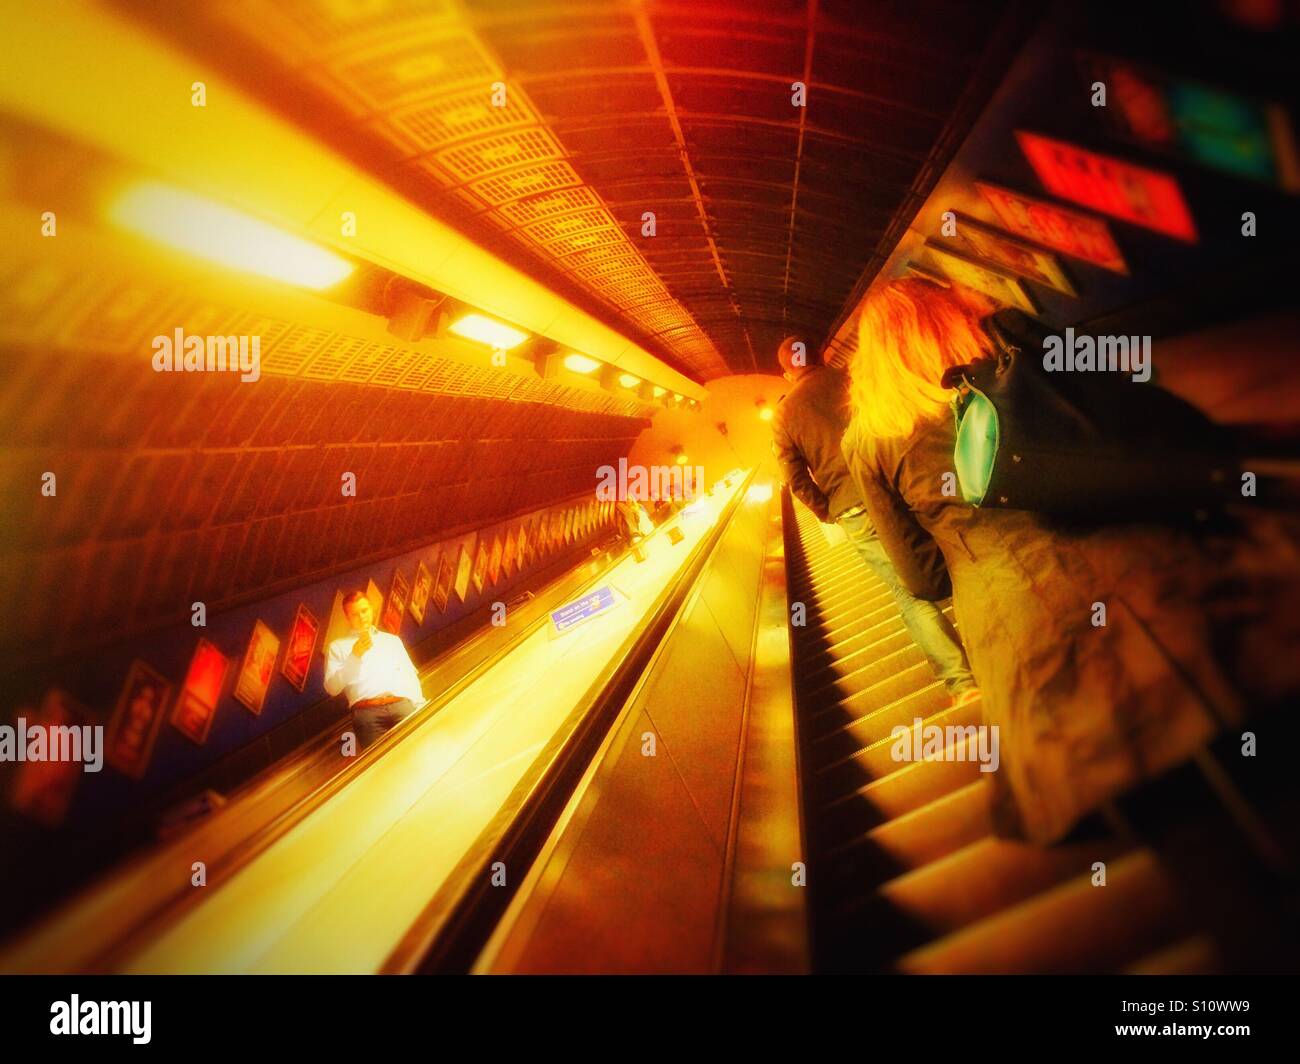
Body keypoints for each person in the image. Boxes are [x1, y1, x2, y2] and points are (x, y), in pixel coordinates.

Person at [841, 276, 1300, 844]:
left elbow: (922, 577)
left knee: (1172, 824)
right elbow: (1120, 403)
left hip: (1032, 645)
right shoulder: (1007, 341)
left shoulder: (867, 440)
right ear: (951, 309)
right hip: (1158, 570)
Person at [770, 335, 977, 701]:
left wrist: (829, 509)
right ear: (823, 354)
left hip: (853, 507)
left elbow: (796, 479)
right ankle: (994, 645)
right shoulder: (854, 378)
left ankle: (963, 684)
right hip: (900, 480)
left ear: (787, 374)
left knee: (909, 592)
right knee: (962, 558)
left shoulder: (783, 414)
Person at [323, 591, 425, 748]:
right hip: (367, 714)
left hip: (401, 705)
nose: (361, 617)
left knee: (417, 749)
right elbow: (332, 688)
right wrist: (353, 657)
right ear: (348, 618)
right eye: (354, 614)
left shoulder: (391, 640)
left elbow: (409, 675)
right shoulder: (338, 647)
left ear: (371, 609)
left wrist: (419, 705)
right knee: (380, 766)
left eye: (364, 610)